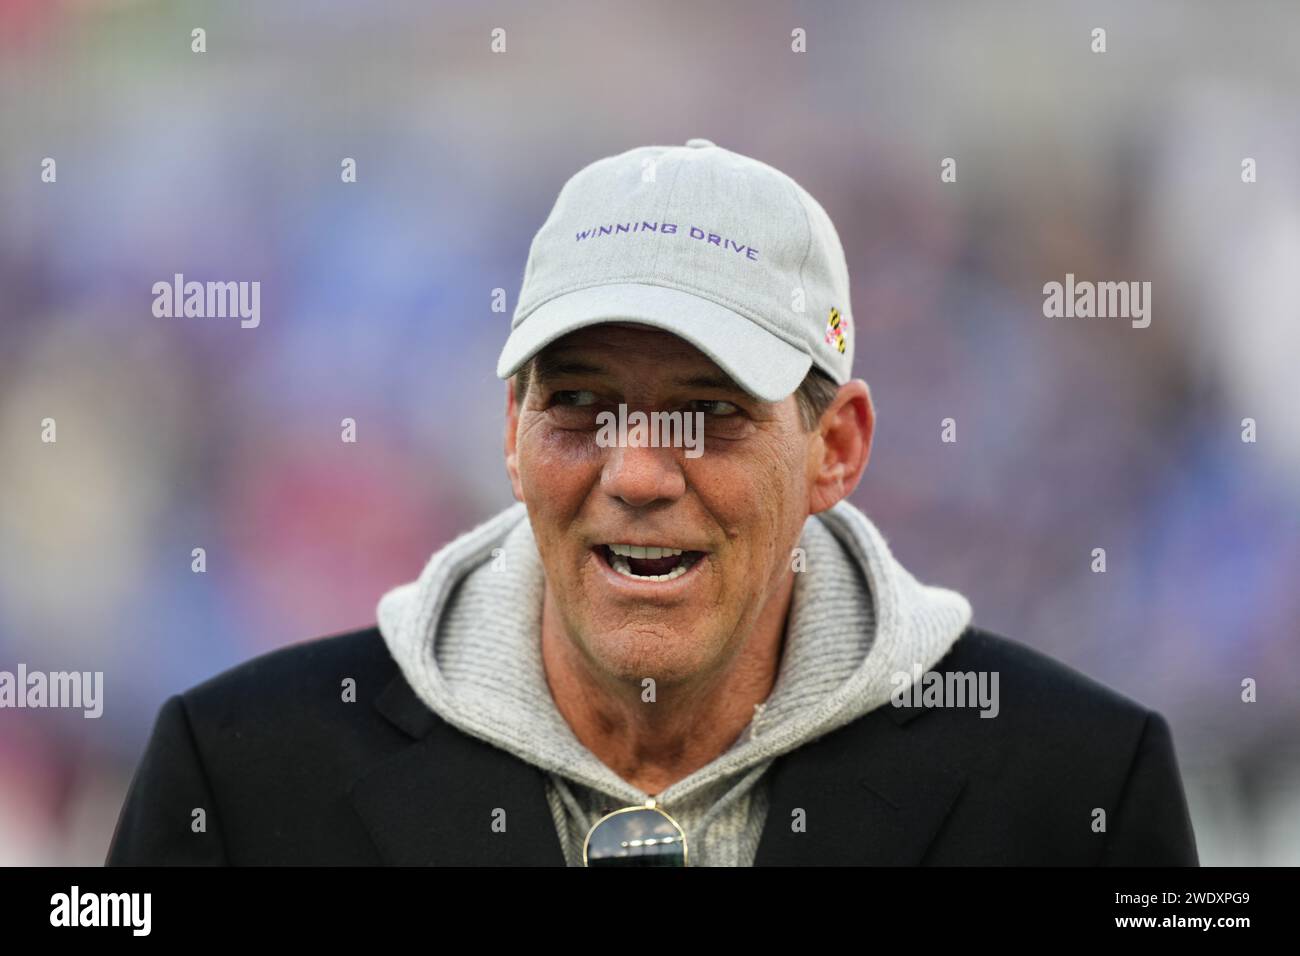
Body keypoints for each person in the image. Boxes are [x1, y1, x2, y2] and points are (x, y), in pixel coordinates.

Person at [107, 139, 1198, 866]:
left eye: (708, 408)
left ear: (836, 446)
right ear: (510, 430)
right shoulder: (239, 773)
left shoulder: (1079, 788)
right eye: (578, 402)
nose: (634, 470)